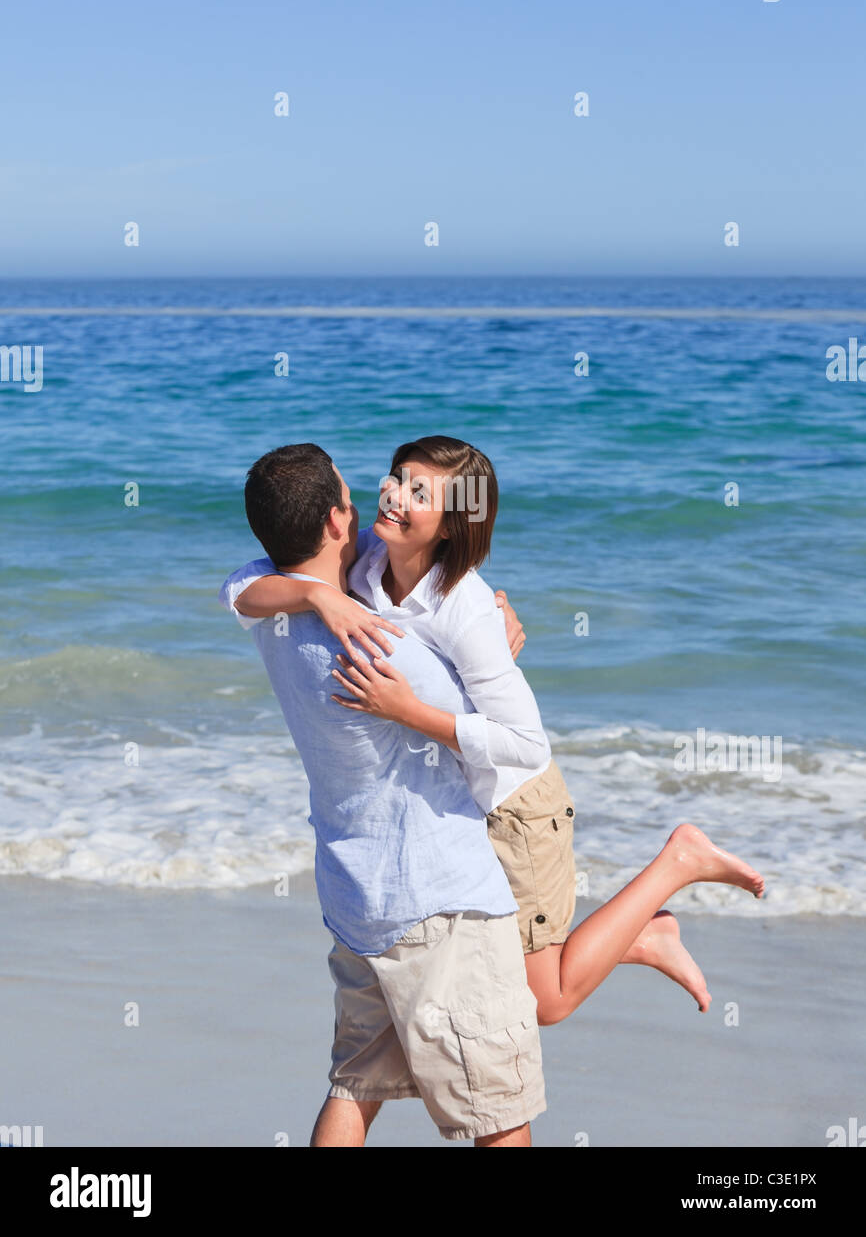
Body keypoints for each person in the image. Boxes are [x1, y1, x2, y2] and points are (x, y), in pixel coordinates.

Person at [229, 436, 765, 1030]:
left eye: (418, 492)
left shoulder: (465, 607)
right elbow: (241, 587)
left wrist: (409, 711)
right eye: (396, 476)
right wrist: (315, 594)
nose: (392, 493)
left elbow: (527, 743)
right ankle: (642, 938)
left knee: (547, 1003)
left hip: (518, 806)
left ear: (452, 526)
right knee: (507, 979)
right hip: (469, 807)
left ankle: (678, 863)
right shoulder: (367, 562)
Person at [220, 443, 546, 1148]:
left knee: (354, 1086)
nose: (383, 496)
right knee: (497, 1118)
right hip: (441, 905)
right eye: (362, 490)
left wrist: (312, 590)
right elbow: (515, 737)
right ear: (340, 521)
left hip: (355, 899)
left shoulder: (274, 617)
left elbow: (236, 586)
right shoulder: (386, 650)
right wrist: (494, 633)